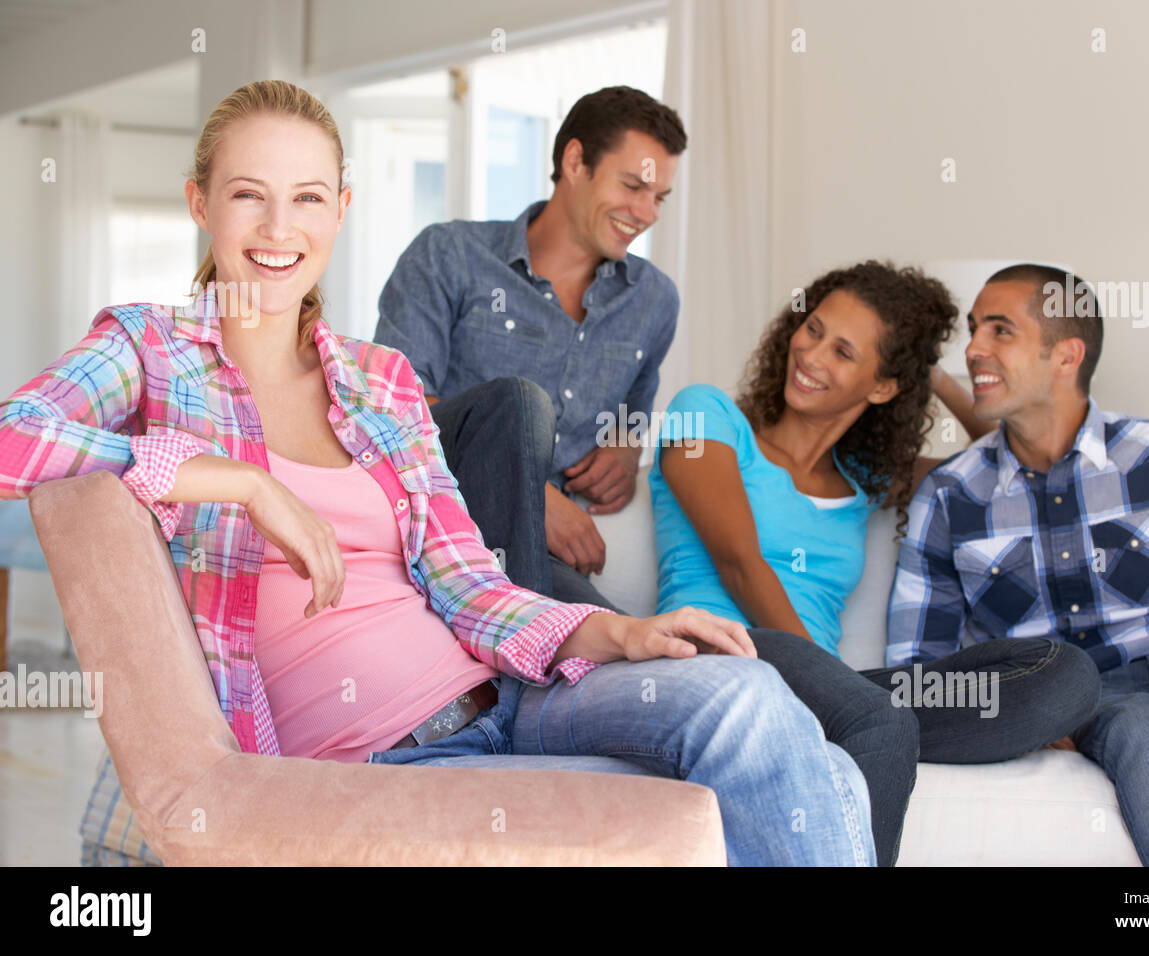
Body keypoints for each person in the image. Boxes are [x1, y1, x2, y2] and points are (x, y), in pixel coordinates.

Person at [0, 80, 876, 867]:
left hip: (505, 698)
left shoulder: (379, 381)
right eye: (247, 197)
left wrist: (615, 634)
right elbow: (14, 441)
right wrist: (237, 480)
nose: (278, 229)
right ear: (200, 203)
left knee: (751, 702)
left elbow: (467, 584)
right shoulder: (149, 350)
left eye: (307, 198)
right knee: (773, 791)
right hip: (382, 764)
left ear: (340, 209)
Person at [651, 261, 1102, 865]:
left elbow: (990, 457)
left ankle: (840, 722)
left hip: (840, 698)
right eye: (811, 329)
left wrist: (929, 375)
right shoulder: (704, 414)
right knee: (878, 720)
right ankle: (845, 718)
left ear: (883, 386)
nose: (810, 356)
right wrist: (831, 689)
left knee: (1065, 677)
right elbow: (739, 563)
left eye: (843, 351)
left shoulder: (863, 481)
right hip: (718, 662)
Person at [888, 262, 1149, 866]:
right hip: (1087, 700)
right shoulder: (951, 497)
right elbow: (916, 674)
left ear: (1066, 355)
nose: (972, 349)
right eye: (974, 330)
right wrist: (1024, 713)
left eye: (1000, 331)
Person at [374, 86, 685, 610]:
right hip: (440, 534)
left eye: (659, 197)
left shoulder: (653, 301)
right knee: (518, 402)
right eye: (633, 185)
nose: (646, 212)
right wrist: (533, 499)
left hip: (544, 567)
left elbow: (634, 408)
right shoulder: (450, 255)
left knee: (647, 660)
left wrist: (628, 442)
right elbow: (393, 412)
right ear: (574, 161)